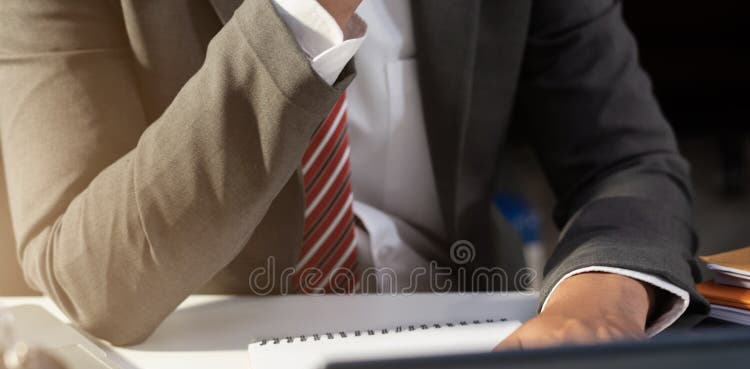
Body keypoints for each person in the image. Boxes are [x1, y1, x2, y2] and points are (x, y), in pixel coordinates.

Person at [0, 0, 707, 347]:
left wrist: (600, 301)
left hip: (471, 343)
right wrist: (307, 16)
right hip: (215, 365)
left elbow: (628, 160)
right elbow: (87, 274)